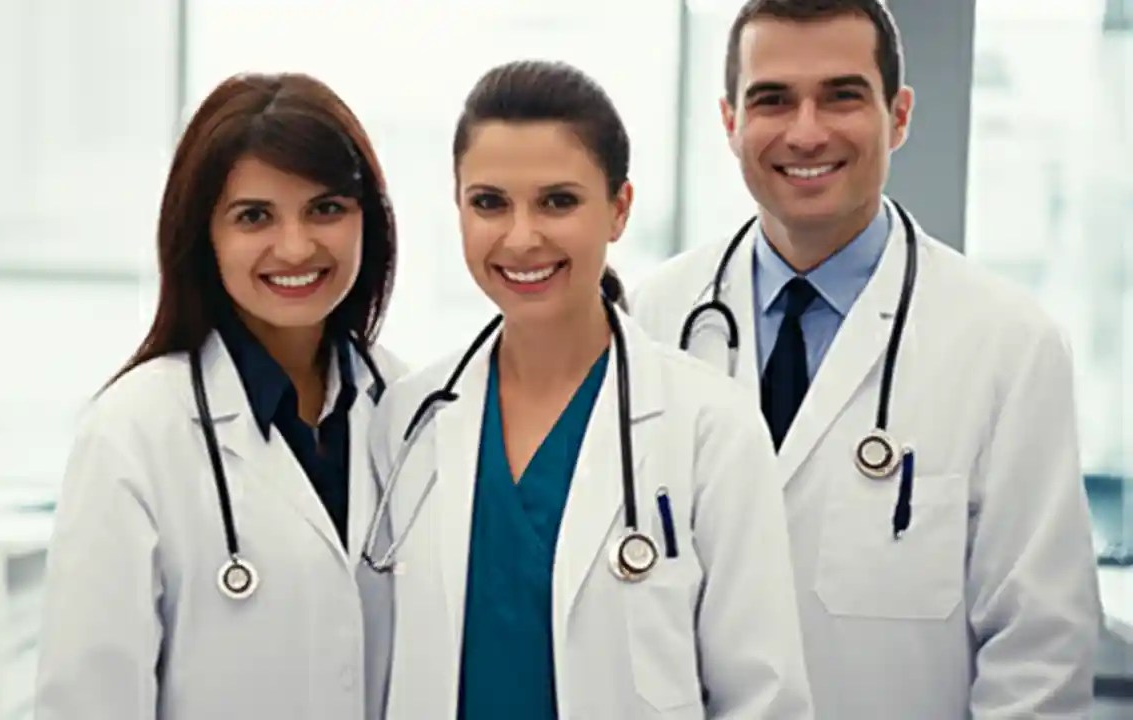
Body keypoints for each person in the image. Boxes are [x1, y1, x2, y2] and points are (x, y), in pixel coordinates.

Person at [631, 1, 1101, 717]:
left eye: (842, 96)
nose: (806, 131)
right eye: (773, 99)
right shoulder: (651, 323)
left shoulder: (1008, 344)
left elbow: (1040, 655)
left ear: (898, 116)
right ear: (730, 122)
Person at [362, 59, 813, 720]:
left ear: (618, 209)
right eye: (489, 202)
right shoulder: (409, 418)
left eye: (558, 201)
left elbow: (762, 699)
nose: (521, 237)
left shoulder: (709, 425)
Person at [35, 72, 404, 720]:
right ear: (203, 234)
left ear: (366, 221)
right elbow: (90, 699)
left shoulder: (411, 411)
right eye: (254, 216)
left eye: (326, 209)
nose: (296, 246)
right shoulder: (135, 430)